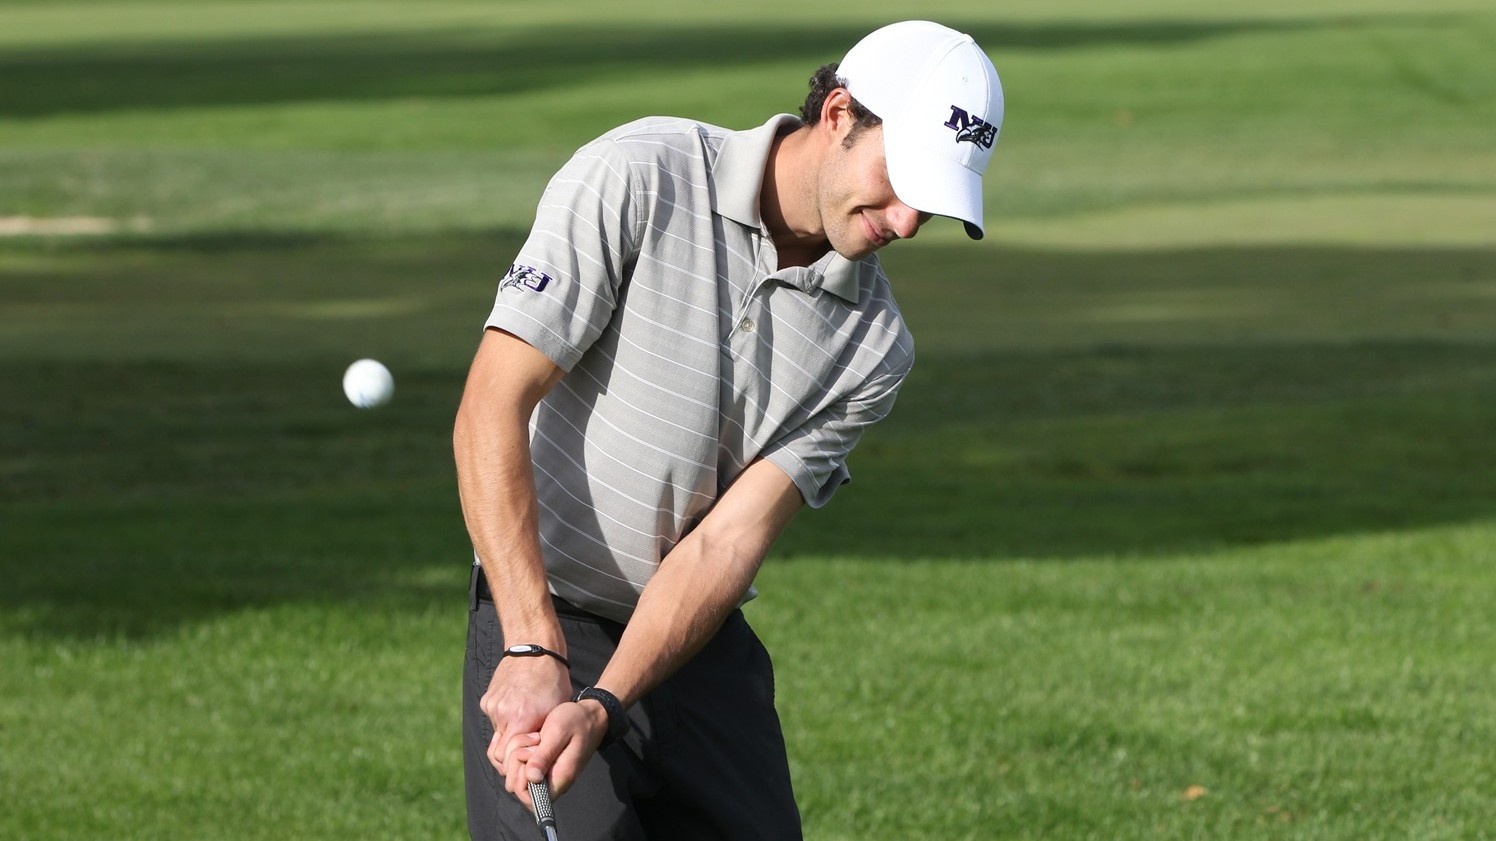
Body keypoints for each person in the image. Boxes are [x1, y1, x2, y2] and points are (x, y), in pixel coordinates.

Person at [454, 20, 1003, 841]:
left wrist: (606, 703)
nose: (907, 221)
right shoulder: (642, 173)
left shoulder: (876, 345)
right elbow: (491, 407)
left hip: (695, 641)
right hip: (546, 608)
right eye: (901, 179)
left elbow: (725, 544)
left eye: (932, 202)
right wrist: (533, 649)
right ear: (840, 113)